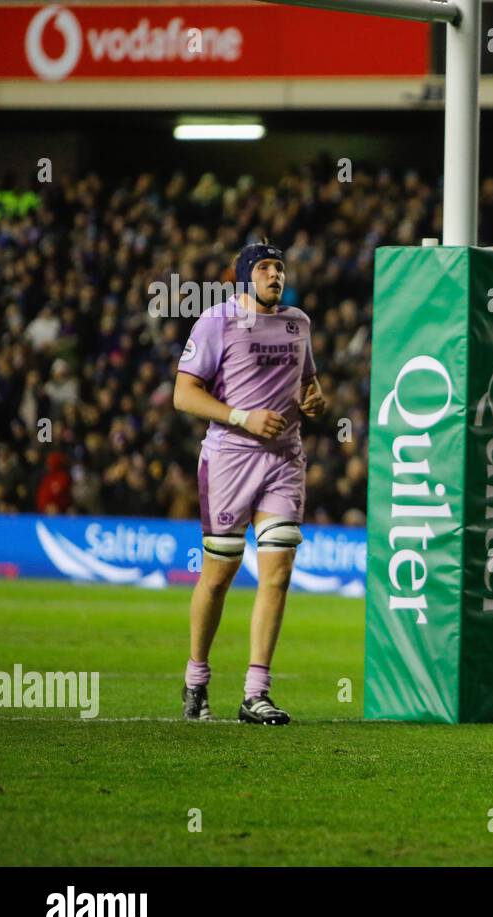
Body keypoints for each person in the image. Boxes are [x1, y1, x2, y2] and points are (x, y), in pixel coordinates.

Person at [173, 241, 326, 724]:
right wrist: (242, 416)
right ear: (243, 278)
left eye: (278, 268)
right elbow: (183, 394)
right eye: (264, 268)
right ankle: (196, 679)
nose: (274, 275)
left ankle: (255, 693)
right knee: (219, 574)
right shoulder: (215, 322)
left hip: (284, 460)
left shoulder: (297, 322)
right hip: (229, 462)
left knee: (277, 573)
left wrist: (314, 399)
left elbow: (307, 383)